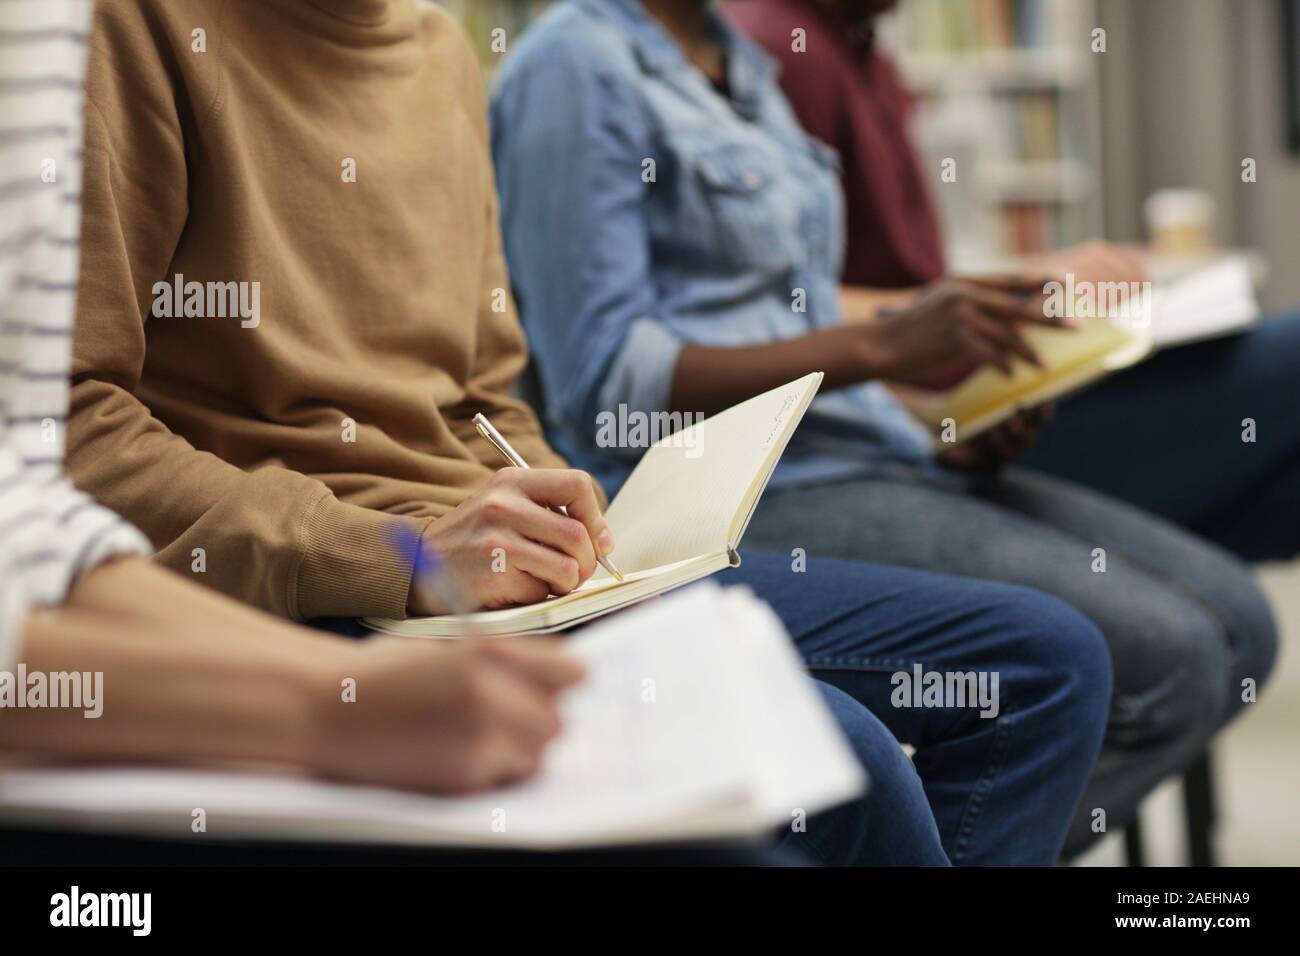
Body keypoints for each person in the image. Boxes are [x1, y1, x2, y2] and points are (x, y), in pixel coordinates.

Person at [63, 0, 1113, 865]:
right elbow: (76, 432)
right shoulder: (121, 32)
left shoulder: (441, 46)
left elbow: (485, 385)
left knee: (1048, 659)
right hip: (335, 580)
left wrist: (550, 487)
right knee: (836, 758)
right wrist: (407, 554)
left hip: (511, 565)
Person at [488, 0, 1276, 856]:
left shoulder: (739, 64)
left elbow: (789, 308)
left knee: (1240, 624)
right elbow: (603, 386)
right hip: (740, 489)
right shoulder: (572, 64)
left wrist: (941, 416)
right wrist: (880, 344)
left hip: (863, 447)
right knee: (1159, 653)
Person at [726, 0, 1300, 563]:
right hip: (955, 409)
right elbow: (765, 311)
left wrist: (1031, 282)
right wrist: (1015, 289)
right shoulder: (780, 48)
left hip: (986, 395)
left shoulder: (860, 45)